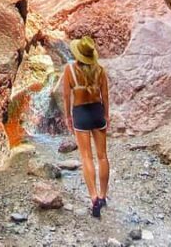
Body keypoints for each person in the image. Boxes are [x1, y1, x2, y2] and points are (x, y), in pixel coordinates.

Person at [62, 35, 110, 218]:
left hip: (80, 113)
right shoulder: (100, 70)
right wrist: (106, 115)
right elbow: (105, 95)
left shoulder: (69, 70)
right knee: (102, 157)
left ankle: (94, 197)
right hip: (97, 112)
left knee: (86, 157)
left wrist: (68, 116)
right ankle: (103, 196)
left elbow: (66, 95)